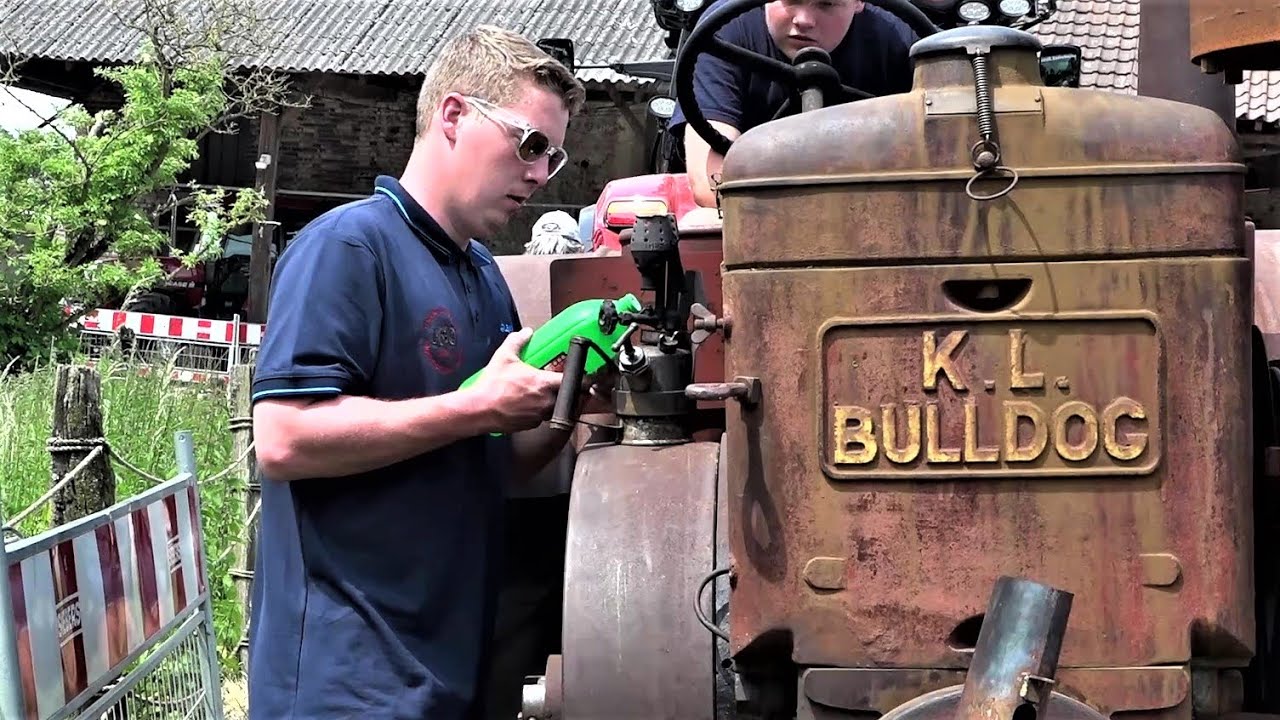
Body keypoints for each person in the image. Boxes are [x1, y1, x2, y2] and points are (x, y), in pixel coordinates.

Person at [246, 25, 590, 720]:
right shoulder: (348, 246)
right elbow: (282, 440)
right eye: (529, 144)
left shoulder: (483, 275)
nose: (539, 172)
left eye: (553, 157)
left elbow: (487, 464)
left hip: (442, 672)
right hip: (344, 684)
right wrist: (478, 409)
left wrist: (561, 406)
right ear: (454, 116)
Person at [669, 0, 920, 207]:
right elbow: (708, 182)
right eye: (791, 1)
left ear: (858, 2)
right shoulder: (723, 34)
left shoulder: (900, 40)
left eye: (826, 4)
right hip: (757, 218)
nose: (804, 20)